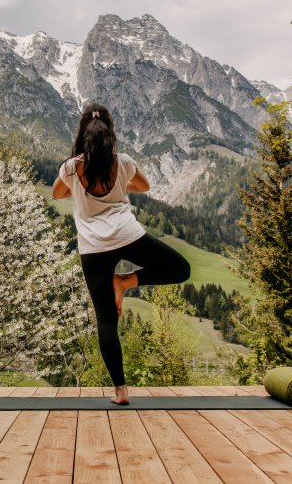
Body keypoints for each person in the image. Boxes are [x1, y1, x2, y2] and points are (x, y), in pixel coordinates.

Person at [52, 103, 190, 405]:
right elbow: (145, 185)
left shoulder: (70, 168)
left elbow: (57, 194)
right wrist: (117, 180)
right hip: (128, 236)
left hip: (93, 249)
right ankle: (126, 281)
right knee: (180, 269)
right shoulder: (123, 162)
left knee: (105, 320)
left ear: (82, 133)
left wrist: (78, 185)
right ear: (110, 133)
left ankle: (120, 392)